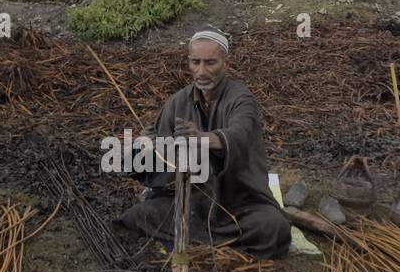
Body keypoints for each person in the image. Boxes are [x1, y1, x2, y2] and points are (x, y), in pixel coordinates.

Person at [115, 28, 291, 259]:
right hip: (191, 202)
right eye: (195, 62)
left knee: (274, 228)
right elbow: (158, 157)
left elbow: (239, 134)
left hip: (237, 200)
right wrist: (139, 149)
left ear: (225, 63)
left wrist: (201, 139)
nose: (201, 71)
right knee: (135, 217)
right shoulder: (177, 102)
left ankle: (196, 242)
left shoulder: (241, 99)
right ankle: (213, 243)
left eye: (210, 63)